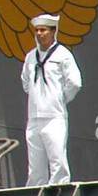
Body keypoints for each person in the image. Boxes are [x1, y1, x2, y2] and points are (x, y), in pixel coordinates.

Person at [21, 12, 82, 186]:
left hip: (54, 116)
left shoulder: (63, 55)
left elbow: (75, 83)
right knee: (35, 166)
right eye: (37, 30)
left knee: (57, 161)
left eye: (43, 30)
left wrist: (60, 99)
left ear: (53, 31)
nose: (39, 34)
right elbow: (26, 82)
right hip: (34, 117)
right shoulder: (31, 57)